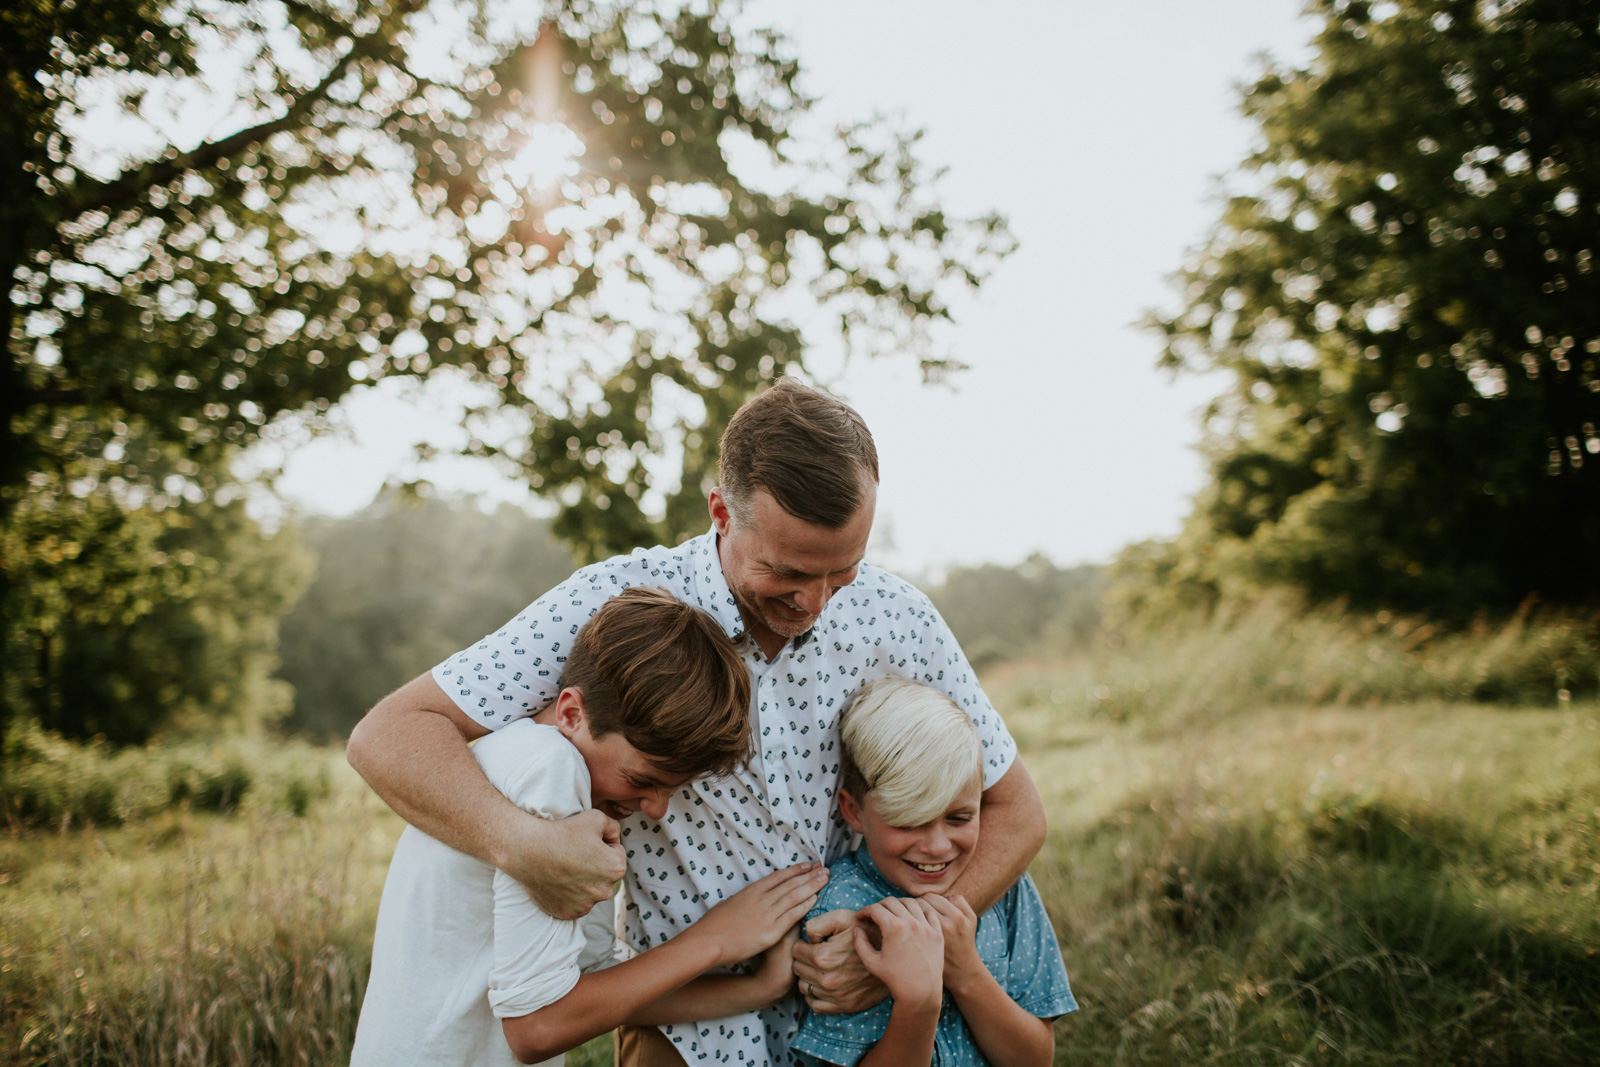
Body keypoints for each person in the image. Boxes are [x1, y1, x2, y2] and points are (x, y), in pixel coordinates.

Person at [346, 378, 1048, 1067]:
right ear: (720, 510)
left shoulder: (897, 616)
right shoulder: (617, 604)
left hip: (858, 1021)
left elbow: (1016, 810)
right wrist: (521, 841)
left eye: (842, 572)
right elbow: (391, 732)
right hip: (688, 1027)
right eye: (787, 571)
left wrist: (898, 942)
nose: (815, 602)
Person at [351, 587, 830, 1066]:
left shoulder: (544, 775)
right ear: (571, 713)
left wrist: (757, 989)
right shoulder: (550, 768)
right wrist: (715, 941)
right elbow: (537, 1028)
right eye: (642, 780)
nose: (657, 809)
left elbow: (593, 993)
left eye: (672, 789)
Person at [790, 677, 1076, 1067]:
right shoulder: (839, 909)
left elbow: (1036, 1059)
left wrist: (964, 970)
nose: (938, 846)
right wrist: (918, 1002)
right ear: (853, 811)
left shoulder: (1008, 886)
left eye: (959, 817)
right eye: (908, 822)